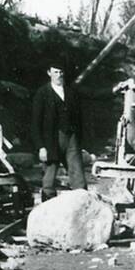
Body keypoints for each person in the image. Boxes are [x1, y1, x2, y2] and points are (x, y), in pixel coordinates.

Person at [30, 62, 88, 201]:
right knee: (49, 179)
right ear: (49, 73)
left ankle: (81, 205)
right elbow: (35, 123)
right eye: (55, 72)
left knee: (78, 176)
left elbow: (92, 95)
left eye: (61, 72)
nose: (59, 75)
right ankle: (48, 209)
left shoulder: (71, 92)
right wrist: (41, 147)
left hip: (71, 138)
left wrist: (115, 89)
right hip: (51, 140)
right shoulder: (42, 93)